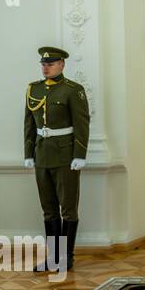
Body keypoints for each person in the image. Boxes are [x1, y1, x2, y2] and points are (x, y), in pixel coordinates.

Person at [23, 46, 90, 272]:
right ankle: (54, 257)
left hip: (65, 156)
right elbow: (29, 124)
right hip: (42, 156)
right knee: (49, 210)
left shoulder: (73, 90)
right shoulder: (34, 89)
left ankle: (67, 257)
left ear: (61, 64)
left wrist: (79, 155)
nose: (46, 67)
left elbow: (82, 125)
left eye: (50, 64)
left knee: (68, 209)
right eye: (43, 64)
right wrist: (28, 154)